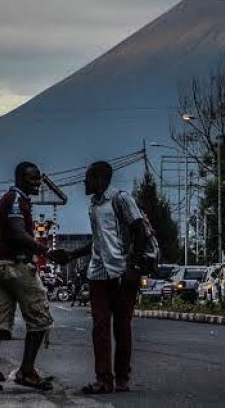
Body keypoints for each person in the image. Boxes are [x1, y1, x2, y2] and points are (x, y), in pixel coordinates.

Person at [0, 162, 67, 393]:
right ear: (19, 178)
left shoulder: (12, 199)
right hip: (16, 267)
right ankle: (26, 372)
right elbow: (17, 233)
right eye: (32, 179)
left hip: (0, 267)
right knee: (40, 319)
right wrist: (44, 250)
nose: (37, 183)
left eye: (38, 178)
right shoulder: (16, 200)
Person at [66, 161, 148, 394]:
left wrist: (134, 266)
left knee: (122, 328)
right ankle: (103, 379)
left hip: (123, 274)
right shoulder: (94, 206)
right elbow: (99, 242)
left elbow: (139, 228)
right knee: (100, 327)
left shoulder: (120, 199)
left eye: (88, 178)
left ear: (101, 179)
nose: (85, 182)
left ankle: (122, 378)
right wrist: (71, 254)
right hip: (99, 275)